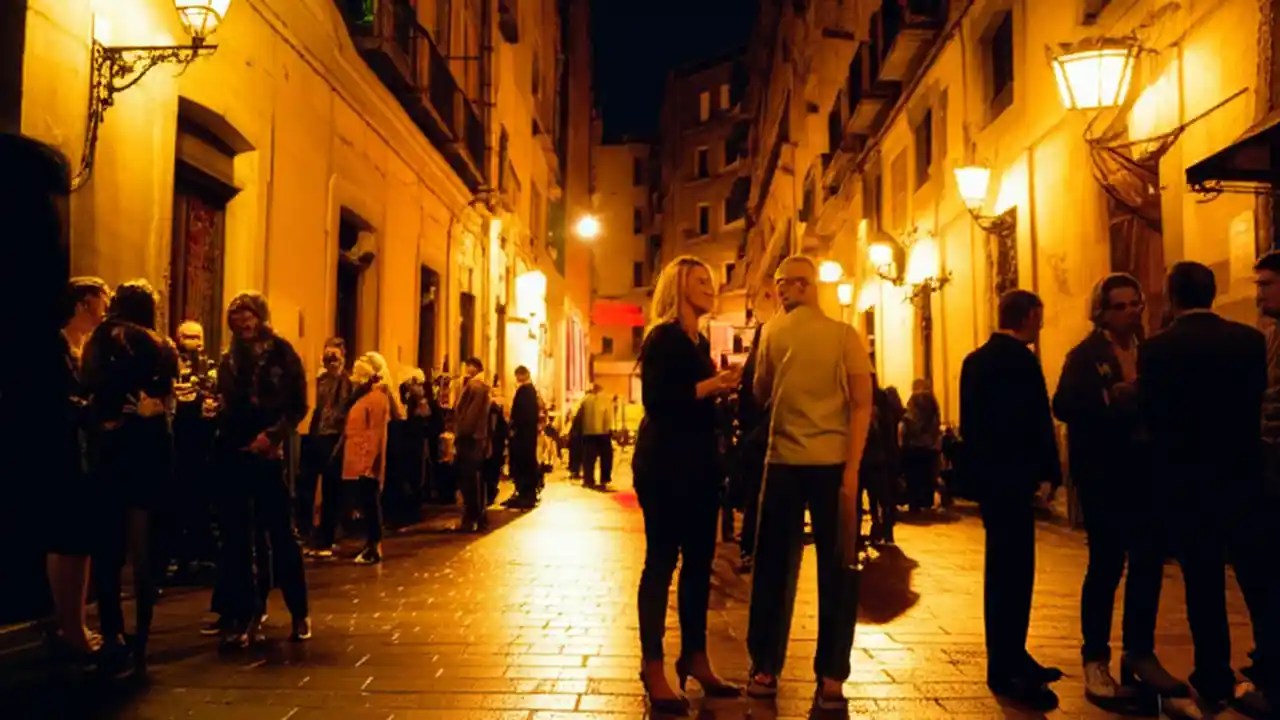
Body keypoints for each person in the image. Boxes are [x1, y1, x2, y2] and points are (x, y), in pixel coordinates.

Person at [1141, 261, 1277, 717]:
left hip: (1188, 483)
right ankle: (1272, 673)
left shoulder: (1157, 350)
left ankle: (1214, 675)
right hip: (1243, 477)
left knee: (1203, 585)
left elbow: (1153, 418)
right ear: (1213, 293)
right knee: (1258, 583)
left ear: (1172, 297)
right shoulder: (1250, 342)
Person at [746, 255, 873, 711]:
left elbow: (760, 391)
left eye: (782, 284)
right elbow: (862, 402)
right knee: (838, 569)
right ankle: (832, 675)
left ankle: (765, 666)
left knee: (773, 566)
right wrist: (852, 468)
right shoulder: (845, 335)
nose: (779, 291)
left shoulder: (770, 333)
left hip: (783, 460)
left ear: (798, 286)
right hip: (833, 462)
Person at [1053, 273, 1186, 704]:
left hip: (1148, 474)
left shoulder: (1151, 351)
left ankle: (1139, 653)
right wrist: (1111, 398)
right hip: (1105, 477)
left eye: (1135, 304)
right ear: (1102, 312)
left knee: (1147, 565)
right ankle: (1095, 658)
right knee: (1106, 566)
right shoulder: (1085, 355)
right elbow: (1064, 404)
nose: (1131, 312)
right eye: (1120, 306)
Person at [632, 256, 742, 716]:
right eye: (701, 281)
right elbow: (657, 400)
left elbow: (698, 405)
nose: (710, 288)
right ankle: (653, 665)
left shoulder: (698, 342)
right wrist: (710, 386)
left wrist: (724, 391)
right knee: (661, 561)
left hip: (700, 467)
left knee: (699, 563)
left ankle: (696, 657)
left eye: (711, 281)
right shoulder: (664, 337)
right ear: (679, 287)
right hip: (665, 465)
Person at [959, 289, 1062, 711]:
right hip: (1017, 480)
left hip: (991, 481)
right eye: (1039, 317)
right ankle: (1007, 665)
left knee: (1001, 572)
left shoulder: (975, 361)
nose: (1041, 325)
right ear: (1028, 317)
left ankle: (1010, 655)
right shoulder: (1022, 361)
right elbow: (1039, 420)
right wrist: (1049, 473)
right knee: (1016, 575)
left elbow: (971, 426)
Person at [82, 279, 179, 676]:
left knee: (108, 546)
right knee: (144, 546)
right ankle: (144, 630)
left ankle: (113, 632)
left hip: (111, 449)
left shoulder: (101, 339)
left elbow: (89, 384)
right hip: (150, 449)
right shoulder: (162, 345)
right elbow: (166, 395)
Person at [214, 292, 311, 648]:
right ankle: (245, 613)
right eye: (236, 317)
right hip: (235, 452)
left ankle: (299, 611)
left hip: (269, 454)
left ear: (260, 316)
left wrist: (273, 436)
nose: (242, 322)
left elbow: (298, 404)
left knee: (281, 534)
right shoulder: (229, 359)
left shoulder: (282, 353)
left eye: (248, 315)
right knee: (238, 537)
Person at [169, 320, 219, 582]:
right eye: (188, 336)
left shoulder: (210, 366)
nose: (194, 342)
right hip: (176, 442)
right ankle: (180, 557)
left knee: (202, 499)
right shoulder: (169, 364)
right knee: (178, 500)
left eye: (198, 337)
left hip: (203, 442)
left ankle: (202, 555)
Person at [342, 352, 395, 565]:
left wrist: (368, 462)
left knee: (370, 503)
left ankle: (374, 545)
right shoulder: (363, 397)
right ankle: (370, 544)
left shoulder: (376, 398)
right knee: (365, 503)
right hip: (358, 456)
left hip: (366, 460)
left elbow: (375, 433)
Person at [302, 338, 352, 556]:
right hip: (316, 436)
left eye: (335, 358)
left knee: (332, 488)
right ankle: (310, 533)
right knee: (307, 485)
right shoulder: (320, 381)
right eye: (327, 358)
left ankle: (328, 536)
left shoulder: (347, 382)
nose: (331, 362)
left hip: (335, 438)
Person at [453, 357, 491, 532]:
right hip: (477, 437)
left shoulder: (475, 387)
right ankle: (478, 515)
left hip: (471, 438)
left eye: (469, 366)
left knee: (468, 477)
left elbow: (471, 414)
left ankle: (472, 516)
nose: (467, 369)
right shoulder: (480, 386)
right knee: (476, 477)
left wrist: (462, 431)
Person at [861, 373, 899, 545]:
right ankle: (884, 530)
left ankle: (878, 528)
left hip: (868, 456)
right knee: (882, 497)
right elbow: (889, 429)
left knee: (877, 498)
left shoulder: (859, 397)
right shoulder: (881, 398)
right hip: (878, 456)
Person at [901, 379, 942, 511]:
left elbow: (908, 421)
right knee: (927, 475)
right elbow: (936, 421)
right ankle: (927, 501)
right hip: (930, 445)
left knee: (914, 476)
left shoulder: (914, 401)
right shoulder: (932, 402)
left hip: (914, 445)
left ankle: (915, 503)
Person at [508, 365, 543, 508]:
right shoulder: (531, 391)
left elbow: (520, 414)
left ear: (523, 375)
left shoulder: (525, 391)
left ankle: (525, 494)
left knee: (523, 462)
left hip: (523, 435)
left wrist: (514, 427)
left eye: (517, 375)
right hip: (528, 434)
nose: (516, 379)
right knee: (527, 461)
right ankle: (526, 493)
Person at [580, 384, 614, 488]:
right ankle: (605, 479)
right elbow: (608, 415)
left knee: (588, 457)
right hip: (603, 432)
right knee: (606, 457)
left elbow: (580, 415)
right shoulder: (606, 399)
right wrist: (609, 428)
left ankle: (588, 479)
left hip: (588, 432)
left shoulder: (585, 400)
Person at [484, 385, 508, 506]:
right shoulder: (495, 409)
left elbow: (494, 429)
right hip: (496, 444)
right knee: (493, 469)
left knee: (491, 469)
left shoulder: (492, 409)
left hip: (494, 444)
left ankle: (491, 492)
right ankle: (491, 491)